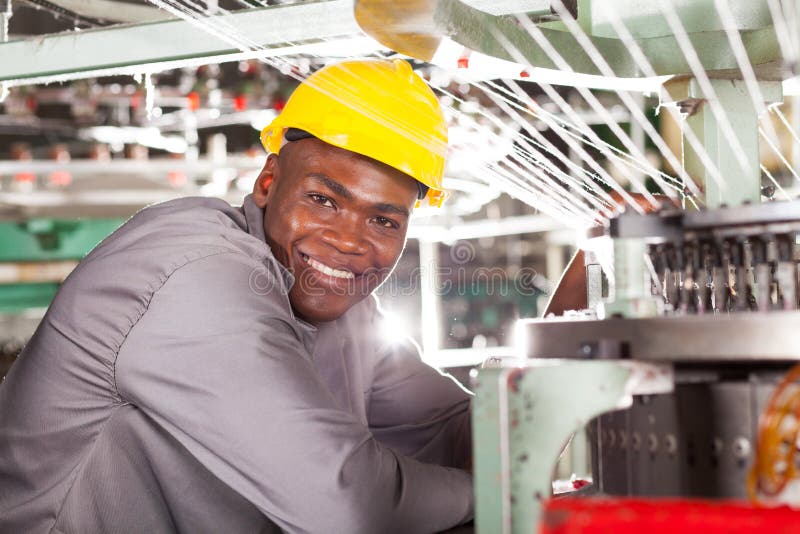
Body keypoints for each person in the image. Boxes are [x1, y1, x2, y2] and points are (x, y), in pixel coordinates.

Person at [0, 59, 473, 533]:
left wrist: (528, 446)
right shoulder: (198, 274)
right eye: (323, 200)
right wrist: (496, 488)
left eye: (383, 221)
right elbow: (345, 502)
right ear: (268, 183)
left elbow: (448, 424)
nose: (349, 242)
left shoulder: (337, 309)